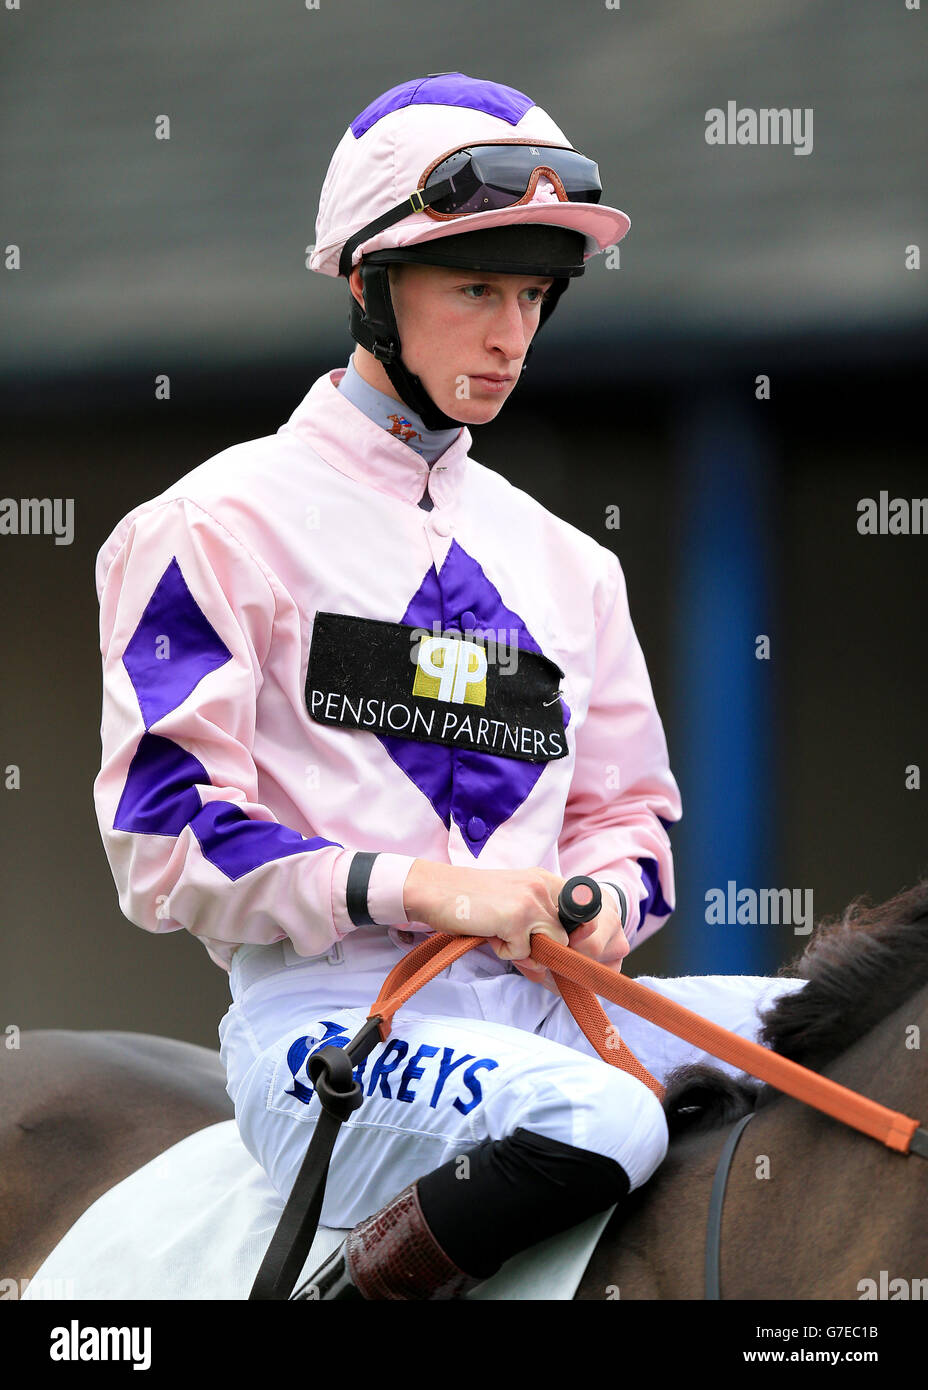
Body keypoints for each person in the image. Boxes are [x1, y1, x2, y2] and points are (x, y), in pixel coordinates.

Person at [93, 72, 804, 1300]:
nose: (511, 335)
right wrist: (435, 891)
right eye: (475, 287)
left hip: (541, 1008)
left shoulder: (570, 566)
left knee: (826, 1039)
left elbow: (630, 818)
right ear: (369, 285)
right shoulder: (208, 525)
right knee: (606, 1124)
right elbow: (161, 838)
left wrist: (599, 900)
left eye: (534, 295)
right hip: (325, 1024)